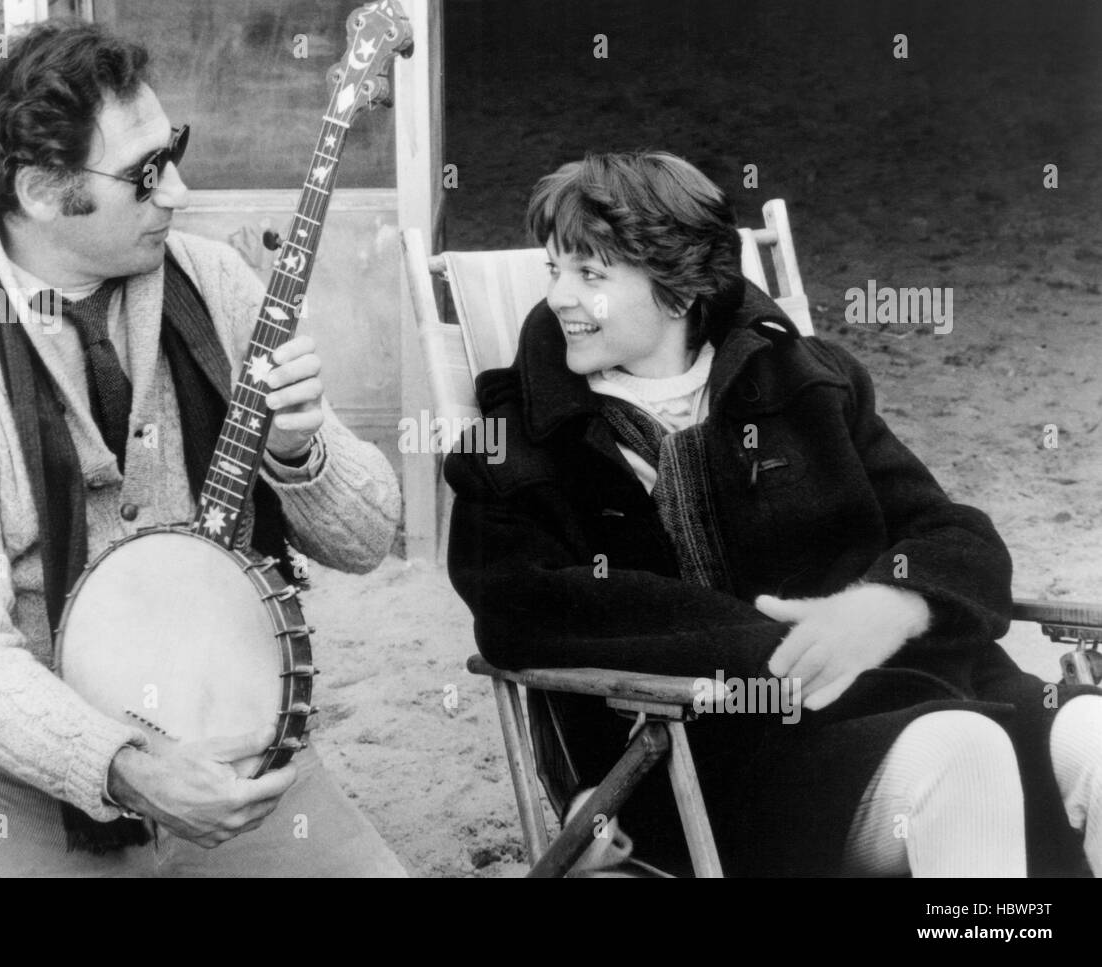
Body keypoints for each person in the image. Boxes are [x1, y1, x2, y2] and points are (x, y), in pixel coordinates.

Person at [444, 150, 1102, 877]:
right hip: (732, 764)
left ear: (678, 287)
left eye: (590, 274)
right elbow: (516, 608)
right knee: (964, 753)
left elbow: (953, 535)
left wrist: (888, 606)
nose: (559, 298)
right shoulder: (527, 434)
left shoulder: (804, 381)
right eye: (554, 269)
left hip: (933, 685)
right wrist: (782, 649)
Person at [0, 19, 405, 876]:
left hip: (234, 744)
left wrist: (303, 457)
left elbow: (369, 541)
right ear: (43, 190)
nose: (181, 191)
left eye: (174, 150)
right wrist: (124, 766)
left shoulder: (217, 283)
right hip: (32, 766)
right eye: (146, 173)